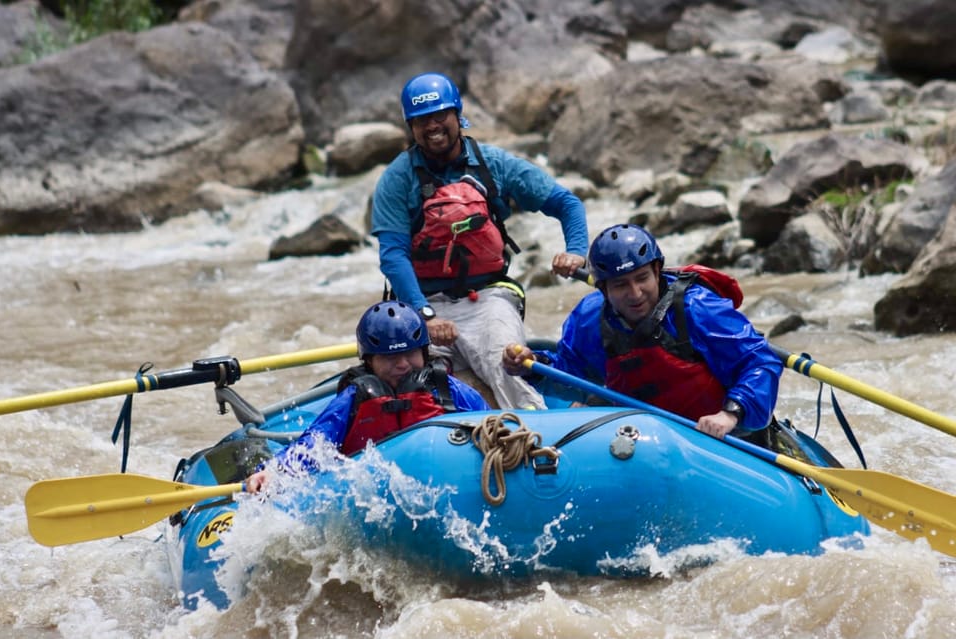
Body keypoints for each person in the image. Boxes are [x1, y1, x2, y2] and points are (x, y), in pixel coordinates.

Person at [371, 71, 589, 410]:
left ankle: (536, 440)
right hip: (423, 304)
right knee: (415, 383)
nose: (432, 126)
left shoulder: (494, 164)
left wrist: (576, 251)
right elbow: (393, 256)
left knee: (507, 365)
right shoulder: (397, 179)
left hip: (488, 297)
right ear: (410, 127)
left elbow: (566, 203)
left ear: (458, 115)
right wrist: (425, 315)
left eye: (440, 115)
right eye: (421, 120)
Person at [501, 224, 783, 440]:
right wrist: (534, 366)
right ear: (604, 288)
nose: (635, 294)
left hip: (722, 435)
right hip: (646, 441)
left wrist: (730, 414)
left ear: (657, 271)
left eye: (642, 278)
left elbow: (761, 361)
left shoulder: (698, 309)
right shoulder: (589, 319)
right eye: (621, 285)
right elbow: (571, 374)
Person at [246, 301, 491, 493]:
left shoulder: (445, 387)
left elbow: (492, 425)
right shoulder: (356, 397)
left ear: (424, 352)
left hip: (445, 479)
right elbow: (316, 443)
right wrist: (275, 471)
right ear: (370, 361)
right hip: (374, 491)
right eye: (390, 358)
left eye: (411, 354)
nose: (403, 365)